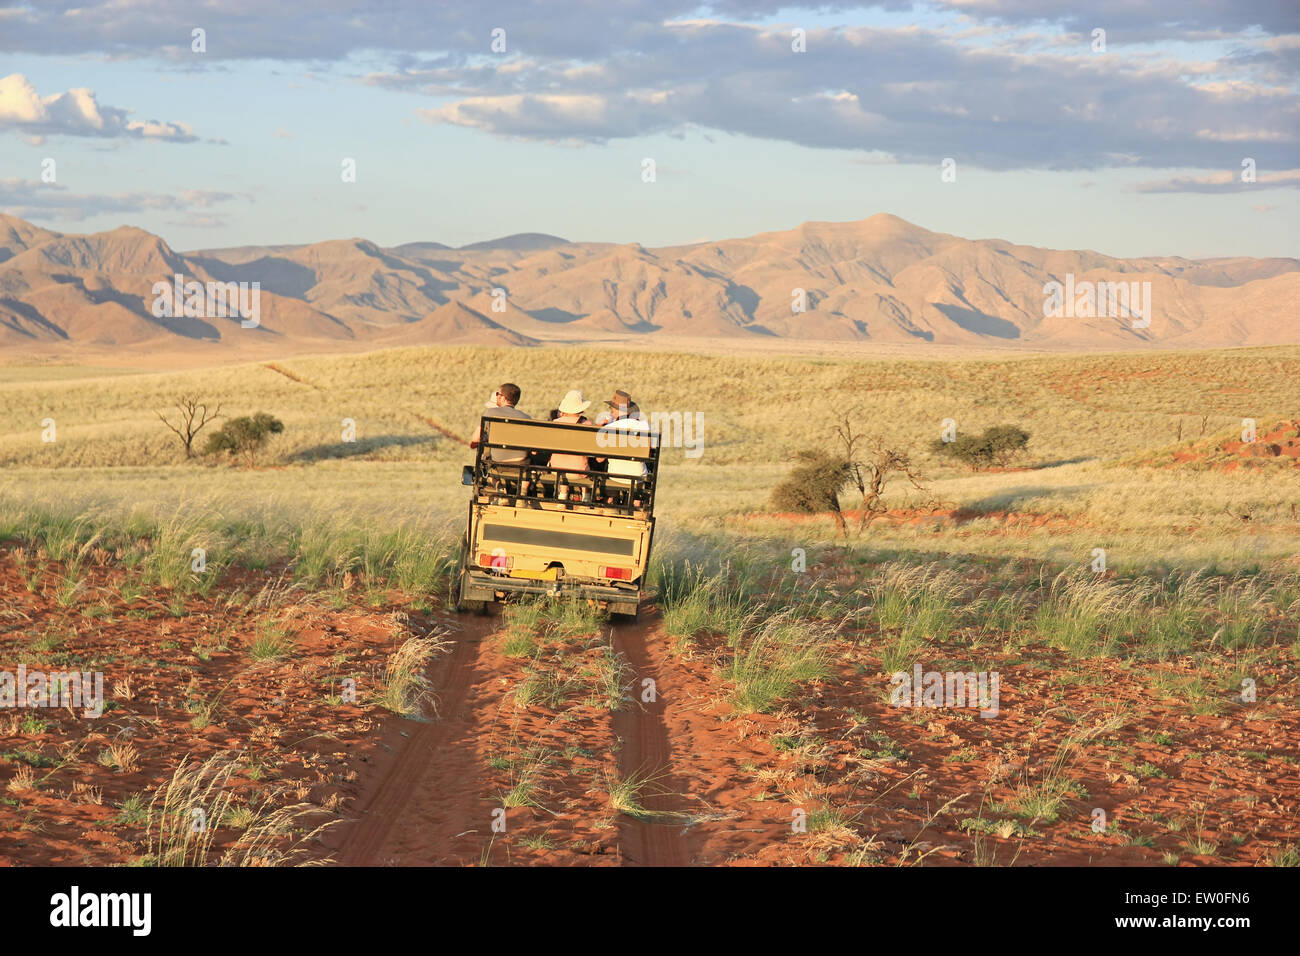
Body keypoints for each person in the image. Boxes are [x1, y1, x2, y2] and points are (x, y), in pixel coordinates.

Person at [547, 390, 594, 500]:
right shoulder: (587, 424)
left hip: (557, 469)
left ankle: (563, 494)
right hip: (579, 471)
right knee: (583, 462)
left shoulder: (556, 422)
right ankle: (586, 496)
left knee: (563, 461)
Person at [469, 382, 530, 464]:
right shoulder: (526, 417)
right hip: (521, 462)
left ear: (503, 398)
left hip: (498, 461)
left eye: (498, 394)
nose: (497, 396)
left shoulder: (490, 413)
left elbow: (475, 439)